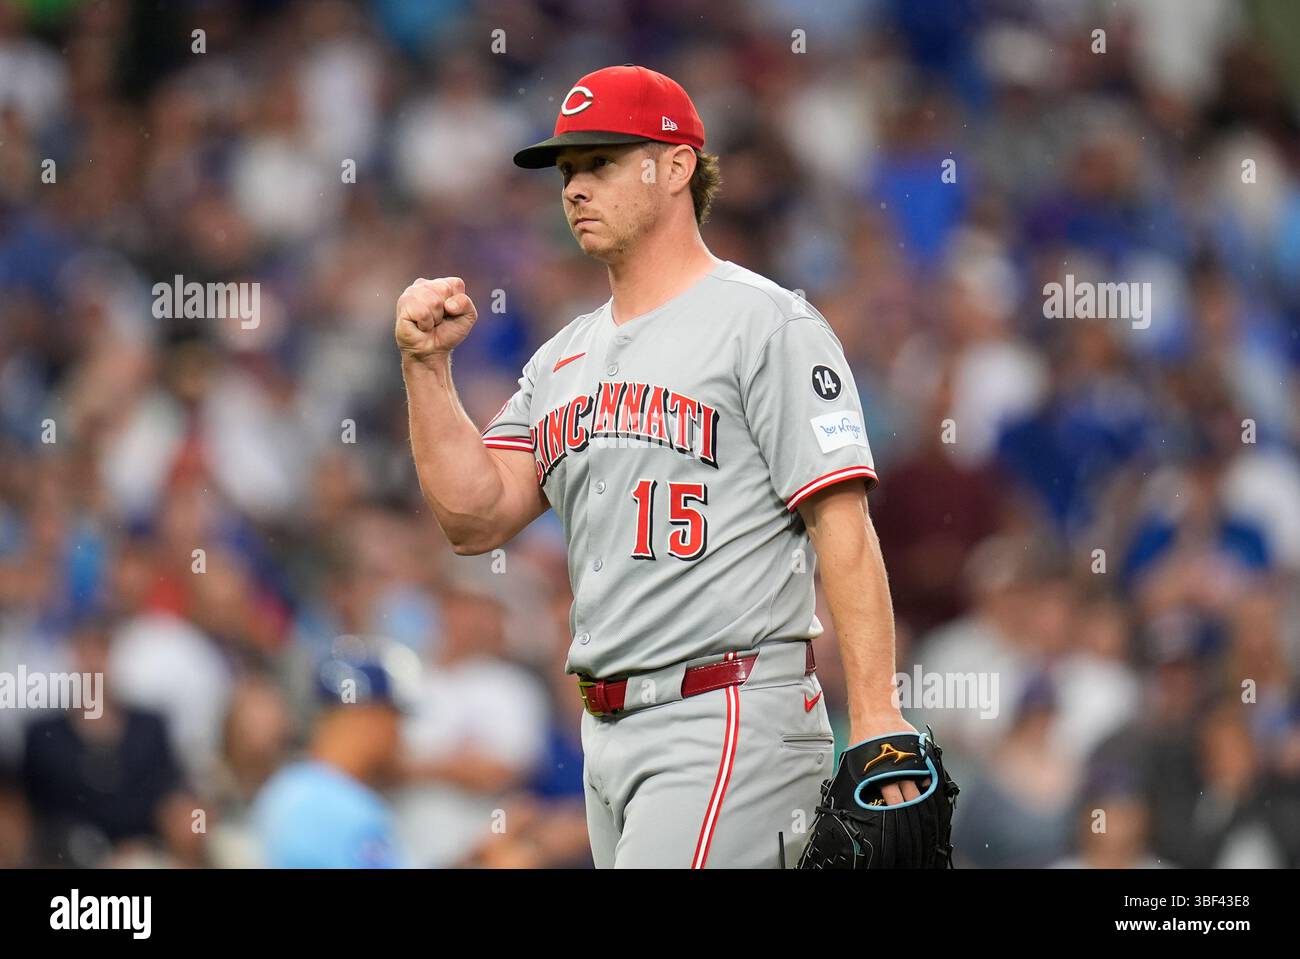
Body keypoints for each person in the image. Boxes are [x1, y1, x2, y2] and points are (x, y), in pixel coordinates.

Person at [396, 65, 928, 868]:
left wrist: (881, 712)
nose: (576, 187)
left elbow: (841, 524)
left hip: (729, 711)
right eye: (568, 171)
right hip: (607, 732)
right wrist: (426, 369)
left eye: (602, 161)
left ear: (676, 166)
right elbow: (474, 516)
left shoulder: (766, 324)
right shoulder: (563, 357)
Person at [252, 639, 410, 868]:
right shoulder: (349, 807)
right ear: (367, 718)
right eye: (392, 718)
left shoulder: (282, 789)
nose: (399, 734)